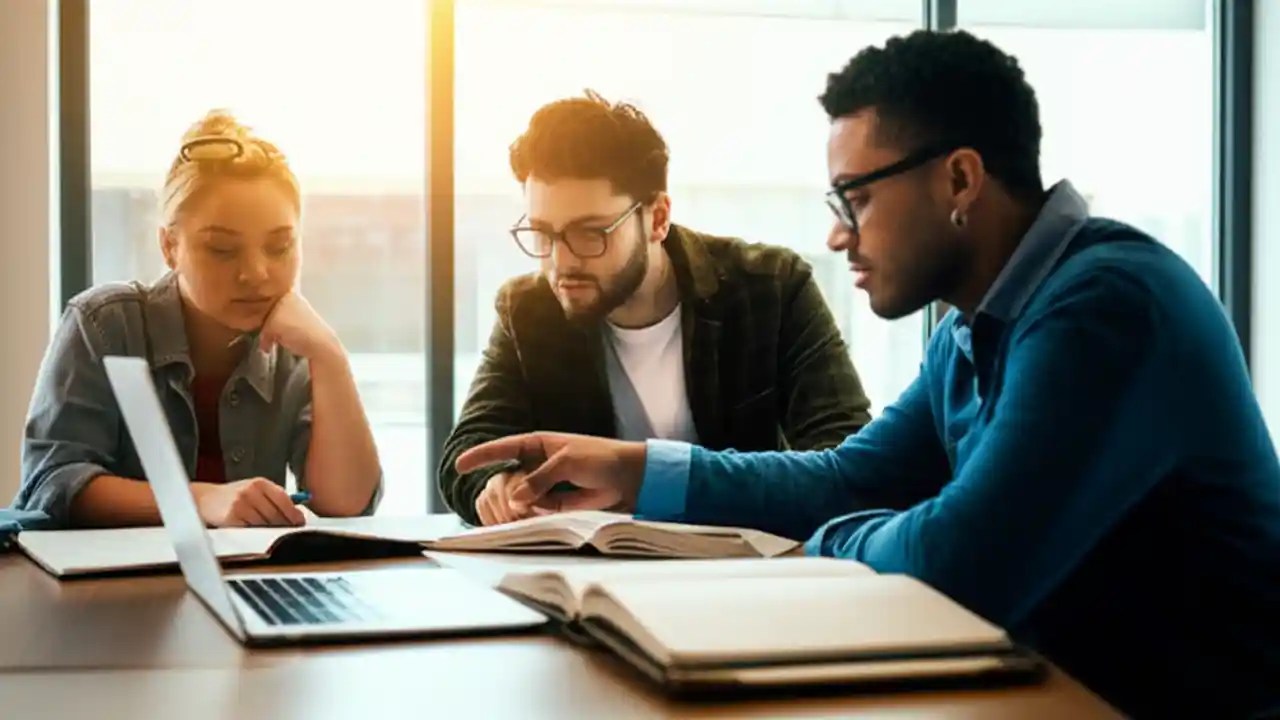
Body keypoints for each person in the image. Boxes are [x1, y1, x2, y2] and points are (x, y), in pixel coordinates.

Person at [454, 32, 1280, 718]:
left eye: (854, 198)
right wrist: (632, 470)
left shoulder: (1106, 308)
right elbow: (856, 475)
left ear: (959, 179)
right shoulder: (974, 326)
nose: (840, 235)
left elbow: (957, 566)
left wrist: (819, 545)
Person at [439, 91, 873, 526]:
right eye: (543, 235)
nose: (562, 260)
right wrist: (496, 484)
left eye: (590, 234)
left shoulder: (772, 288)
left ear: (659, 218)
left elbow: (847, 454)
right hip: (594, 573)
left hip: (745, 571)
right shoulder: (530, 309)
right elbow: (467, 454)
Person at [13, 110, 382, 528]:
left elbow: (347, 503)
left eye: (279, 247)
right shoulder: (105, 324)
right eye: (222, 250)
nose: (256, 274)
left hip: (242, 582)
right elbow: (51, 481)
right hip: (107, 588)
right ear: (170, 246)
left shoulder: (296, 345)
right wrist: (198, 500)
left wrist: (330, 355)